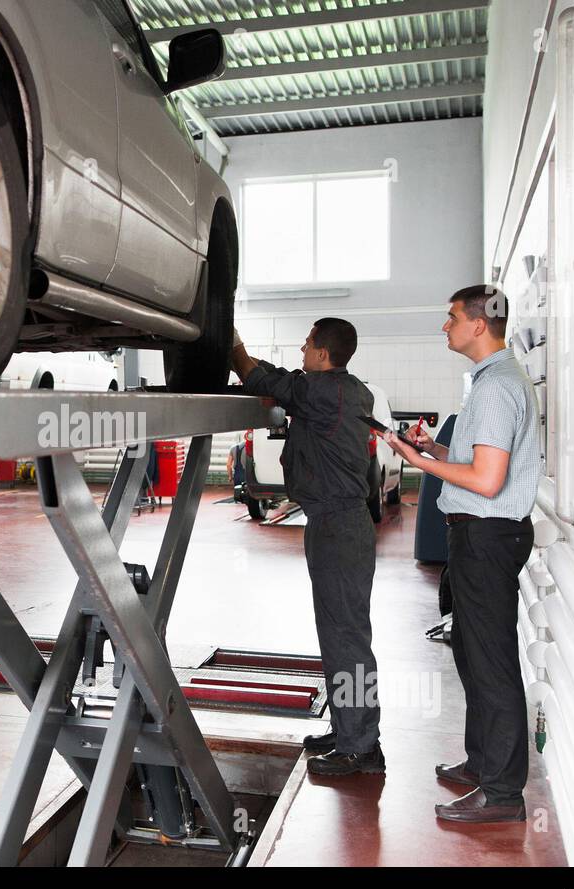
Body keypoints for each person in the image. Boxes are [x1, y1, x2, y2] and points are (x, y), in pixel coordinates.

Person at [383, 285, 543, 823]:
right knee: (472, 654)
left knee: (491, 662)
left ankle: (502, 795)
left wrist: (417, 463)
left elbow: (487, 480)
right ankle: (481, 763)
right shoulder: (491, 382)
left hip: (487, 535)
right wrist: (433, 449)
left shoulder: (497, 388)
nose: (443, 327)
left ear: (479, 324)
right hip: (477, 534)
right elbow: (477, 463)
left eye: (450, 318)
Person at [231, 319, 383, 775]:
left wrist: (231, 343)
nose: (301, 347)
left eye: (307, 342)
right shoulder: (347, 389)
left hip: (340, 527)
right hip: (336, 524)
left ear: (321, 354)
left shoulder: (325, 393)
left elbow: (264, 378)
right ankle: (348, 729)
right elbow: (282, 379)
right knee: (338, 636)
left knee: (348, 639)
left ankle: (361, 748)